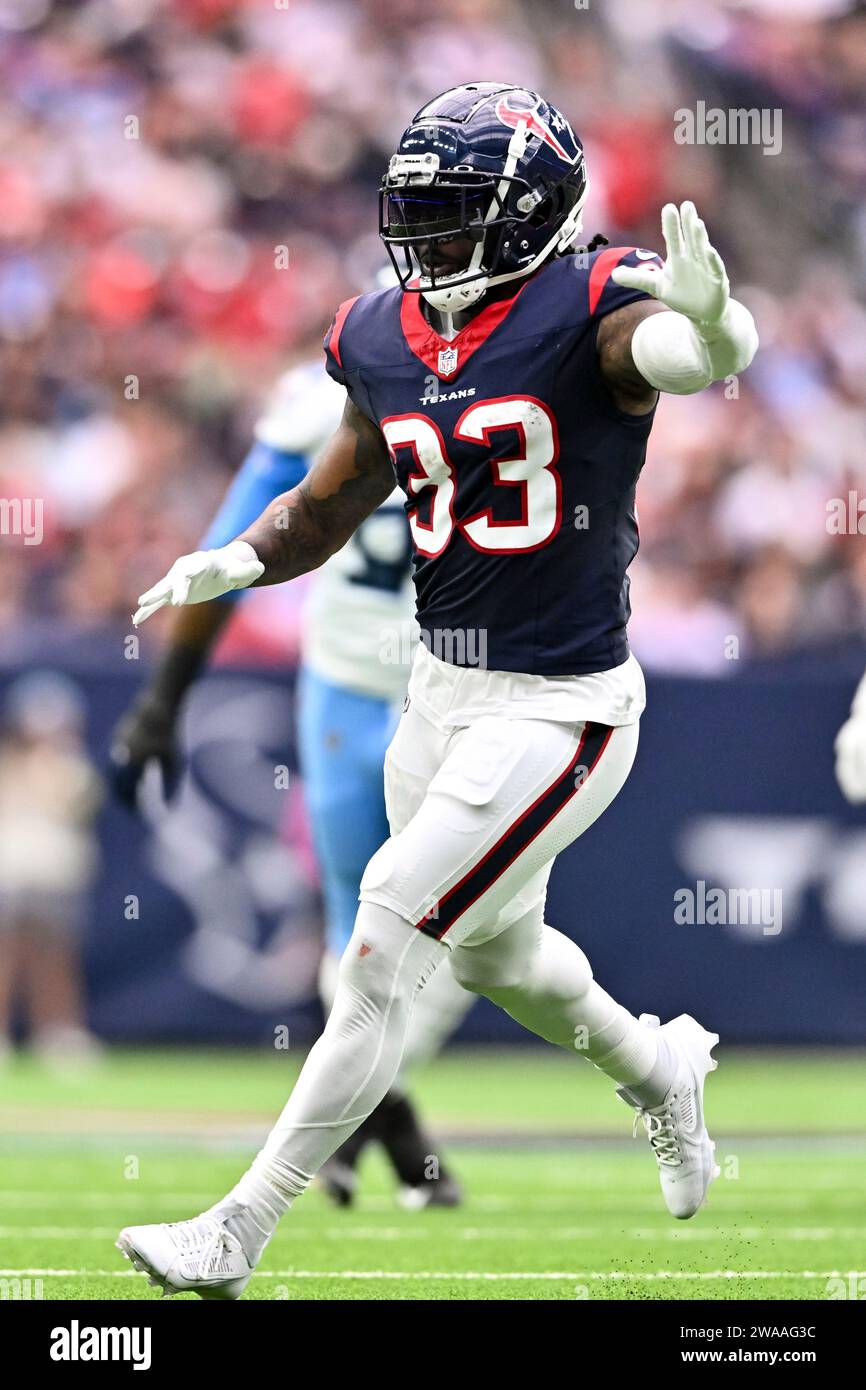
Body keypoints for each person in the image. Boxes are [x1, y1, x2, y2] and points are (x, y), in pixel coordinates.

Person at [117, 82, 758, 1298]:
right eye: (419, 213)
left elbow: (677, 350)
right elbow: (327, 502)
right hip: (434, 692)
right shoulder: (376, 333)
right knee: (493, 960)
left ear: (530, 218)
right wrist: (240, 558)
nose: (429, 242)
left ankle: (237, 1231)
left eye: (458, 215)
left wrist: (719, 332)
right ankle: (656, 1069)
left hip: (556, 708)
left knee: (380, 940)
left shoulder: (586, 305)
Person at [111, 356, 471, 1208]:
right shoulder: (332, 400)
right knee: (364, 935)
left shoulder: (508, 376)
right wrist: (159, 705)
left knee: (478, 935)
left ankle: (363, 1122)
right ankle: (384, 1129)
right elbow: (231, 551)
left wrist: (163, 706)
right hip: (359, 687)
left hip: (461, 685)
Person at [0, 672, 102, 1064]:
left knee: (56, 957)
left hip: (57, 879)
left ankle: (59, 1034)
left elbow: (77, 804)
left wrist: (53, 764)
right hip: (11, 876)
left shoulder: (73, 768)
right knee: (7, 956)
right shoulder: (8, 766)